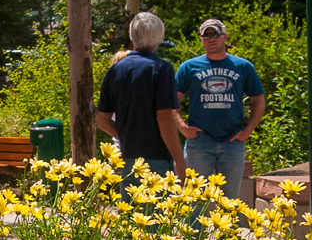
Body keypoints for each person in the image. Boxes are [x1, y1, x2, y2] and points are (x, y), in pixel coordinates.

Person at [175, 18, 265, 222]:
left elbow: (258, 100)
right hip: (199, 142)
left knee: (229, 203)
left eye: (215, 34)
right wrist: (183, 128)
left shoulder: (243, 66)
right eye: (206, 35)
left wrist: (248, 131)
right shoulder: (189, 67)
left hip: (232, 142)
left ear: (224, 37)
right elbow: (172, 102)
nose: (210, 39)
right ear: (201, 39)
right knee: (195, 201)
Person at [96, 12, 186, 192]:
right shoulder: (162, 69)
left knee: (130, 214)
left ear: (132, 35)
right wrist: (179, 159)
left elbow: (101, 120)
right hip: (157, 156)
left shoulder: (116, 70)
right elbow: (164, 117)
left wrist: (123, 135)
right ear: (159, 37)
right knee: (158, 216)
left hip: (127, 156)